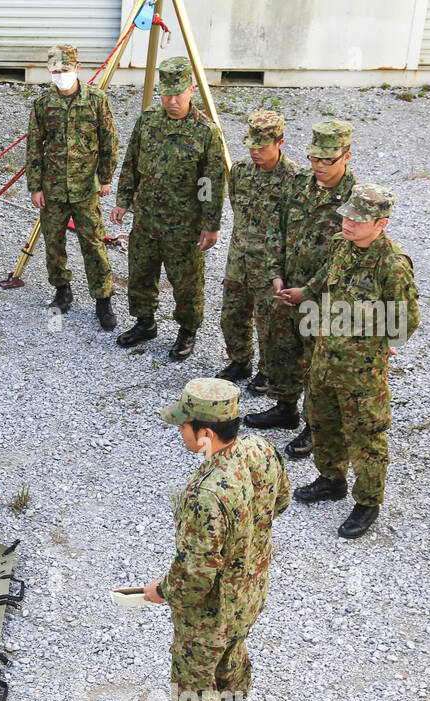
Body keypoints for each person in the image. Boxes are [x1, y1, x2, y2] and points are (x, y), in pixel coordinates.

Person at [142, 378, 289, 701]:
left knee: (190, 678)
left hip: (213, 608)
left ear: (205, 433)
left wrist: (161, 591)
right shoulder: (261, 450)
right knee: (234, 643)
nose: (179, 430)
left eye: (183, 425)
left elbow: (194, 578)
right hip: (251, 589)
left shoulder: (206, 493)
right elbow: (280, 501)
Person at [288, 183, 420, 539]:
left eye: (359, 220)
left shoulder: (392, 265)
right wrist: (305, 293)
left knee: (366, 436)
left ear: (382, 223)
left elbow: (406, 318)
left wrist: (384, 344)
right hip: (325, 357)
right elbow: (323, 280)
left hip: (362, 372)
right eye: (348, 216)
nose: (348, 223)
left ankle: (367, 502)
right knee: (323, 421)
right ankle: (332, 479)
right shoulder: (340, 246)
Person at [251, 120, 357, 456]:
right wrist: (276, 274)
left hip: (322, 298)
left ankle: (316, 426)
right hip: (287, 287)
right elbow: (275, 229)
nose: (320, 167)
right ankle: (286, 408)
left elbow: (345, 257)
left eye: (328, 160)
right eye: (315, 159)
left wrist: (307, 291)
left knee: (317, 364)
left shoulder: (355, 201)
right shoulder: (298, 183)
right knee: (282, 349)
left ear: (347, 156)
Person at [112, 56, 226, 361]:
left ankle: (187, 331)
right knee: (140, 273)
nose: (172, 101)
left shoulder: (206, 132)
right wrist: (123, 200)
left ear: (191, 90)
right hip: (147, 219)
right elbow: (131, 162)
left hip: (184, 226)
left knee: (186, 282)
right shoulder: (148, 120)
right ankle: (145, 323)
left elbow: (211, 182)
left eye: (178, 94)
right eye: (166, 94)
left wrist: (211, 224)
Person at [25, 43, 119, 331]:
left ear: (77, 69)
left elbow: (109, 141)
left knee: (93, 243)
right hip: (52, 188)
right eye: (55, 71)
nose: (60, 75)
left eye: (65, 70)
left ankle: (103, 300)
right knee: (54, 243)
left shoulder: (96, 100)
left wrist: (105, 178)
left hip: (85, 188)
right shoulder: (43, 104)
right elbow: (34, 147)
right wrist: (35, 186)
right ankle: (62, 289)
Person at [215, 110, 303, 384]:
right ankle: (240, 361)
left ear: (280, 142)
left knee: (270, 324)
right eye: (251, 145)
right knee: (232, 316)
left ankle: (267, 371)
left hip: (271, 266)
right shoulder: (240, 172)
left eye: (262, 147)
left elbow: (295, 228)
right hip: (239, 259)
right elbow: (236, 207)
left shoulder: (295, 180)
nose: (255, 152)